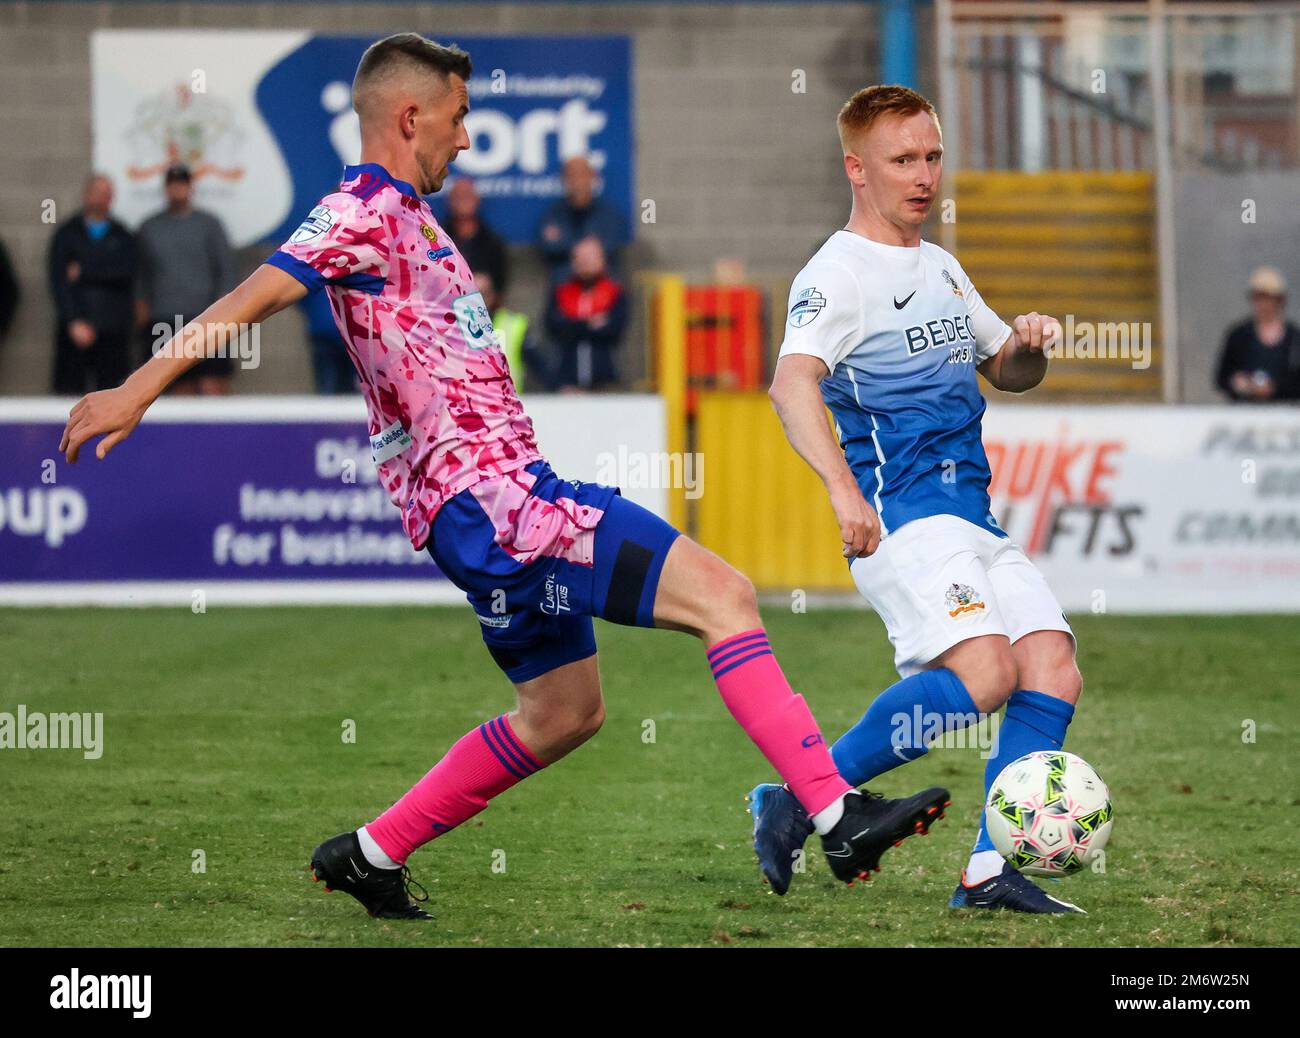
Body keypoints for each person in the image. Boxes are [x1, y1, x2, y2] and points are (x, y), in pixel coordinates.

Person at [60, 34, 948, 922]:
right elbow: (252, 294)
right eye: (460, 116)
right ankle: (836, 815)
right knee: (726, 596)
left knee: (564, 712)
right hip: (501, 503)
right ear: (411, 118)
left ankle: (371, 853)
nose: (469, 137)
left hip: (480, 513)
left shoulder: (407, 214)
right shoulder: (365, 207)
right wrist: (136, 391)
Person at [748, 84, 1086, 914]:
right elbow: (792, 385)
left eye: (933, 155)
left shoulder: (940, 266)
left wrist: (1028, 344)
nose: (925, 174)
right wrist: (841, 493)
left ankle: (985, 873)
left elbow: (1005, 371)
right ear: (857, 168)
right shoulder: (836, 275)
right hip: (902, 516)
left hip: (972, 516)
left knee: (1053, 669)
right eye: (904, 159)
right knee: (985, 672)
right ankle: (798, 796)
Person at [135, 163, 237, 395]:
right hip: (164, 319)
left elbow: (226, 270)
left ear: (191, 187)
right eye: (173, 185)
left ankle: (218, 432)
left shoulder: (210, 225)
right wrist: (140, 306)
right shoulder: (149, 227)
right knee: (177, 386)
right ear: (166, 188)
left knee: (213, 383)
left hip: (205, 319)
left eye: (182, 184)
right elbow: (141, 274)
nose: (177, 189)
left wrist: (224, 311)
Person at [48, 174, 136, 394]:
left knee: (113, 392)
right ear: (86, 195)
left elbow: (126, 273)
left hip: (112, 328)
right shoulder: (67, 233)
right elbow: (58, 281)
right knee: (69, 392)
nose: (100, 199)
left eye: (106, 194)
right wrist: (73, 320)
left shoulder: (122, 235)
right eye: (97, 193)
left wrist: (85, 271)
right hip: (75, 329)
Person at [545, 237, 626, 390]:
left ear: (602, 259)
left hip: (606, 380)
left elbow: (615, 328)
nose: (585, 263)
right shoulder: (561, 292)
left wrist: (573, 324)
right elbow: (555, 326)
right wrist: (589, 324)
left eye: (590, 257)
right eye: (580, 258)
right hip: (567, 382)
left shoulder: (614, 292)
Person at [1215, 266, 1299, 403]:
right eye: (1258, 298)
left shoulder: (1294, 339)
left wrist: (1275, 388)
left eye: (1268, 298)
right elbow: (1221, 378)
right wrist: (1239, 383)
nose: (1263, 304)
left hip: (1286, 417)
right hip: (1245, 414)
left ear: (1280, 300)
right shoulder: (1238, 335)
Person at [537, 155, 624, 284]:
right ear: (563, 179)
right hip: (564, 284)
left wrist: (584, 255)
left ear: (593, 177)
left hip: (604, 285)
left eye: (582, 175)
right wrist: (582, 253)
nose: (577, 181)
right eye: (571, 175)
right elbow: (549, 244)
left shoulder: (608, 213)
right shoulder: (553, 214)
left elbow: (611, 244)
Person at [474, 268, 547, 392]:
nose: (477, 301)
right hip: (467, 407)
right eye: (471, 295)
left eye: (482, 294)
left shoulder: (514, 325)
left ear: (493, 296)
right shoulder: (450, 329)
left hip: (509, 405)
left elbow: (542, 368)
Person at [444, 177, 508, 295]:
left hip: (481, 306)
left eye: (467, 196)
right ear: (449, 202)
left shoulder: (492, 242)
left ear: (478, 200)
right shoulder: (437, 238)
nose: (463, 201)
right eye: (458, 197)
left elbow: (499, 287)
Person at [298, 287, 356, 395]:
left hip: (325, 333)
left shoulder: (313, 278)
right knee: (346, 382)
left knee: (329, 382)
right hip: (343, 335)